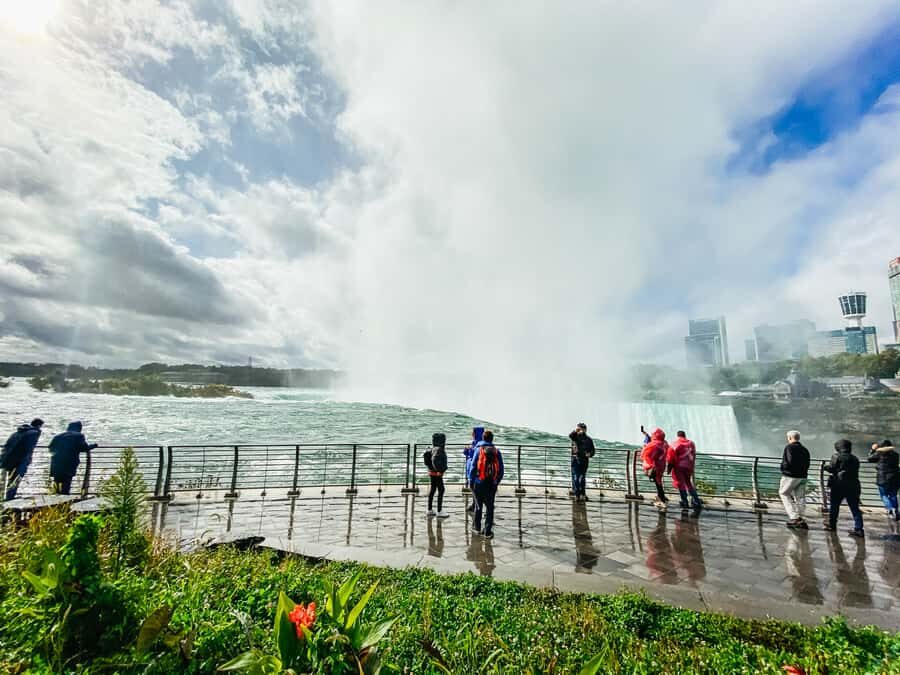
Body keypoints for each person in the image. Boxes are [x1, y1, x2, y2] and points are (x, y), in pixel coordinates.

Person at [823, 439, 864, 537]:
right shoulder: (855, 458)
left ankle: (832, 525)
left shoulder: (836, 456)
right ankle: (859, 528)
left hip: (838, 485)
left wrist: (825, 467)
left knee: (834, 506)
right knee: (855, 508)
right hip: (854, 485)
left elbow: (832, 469)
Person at [469, 429, 504, 539]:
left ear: (483, 438)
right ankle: (487, 531)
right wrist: (495, 482)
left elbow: (473, 467)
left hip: (479, 483)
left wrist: (471, 481)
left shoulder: (478, 450)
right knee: (490, 508)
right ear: (492, 439)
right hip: (491, 484)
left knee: (478, 506)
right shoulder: (496, 451)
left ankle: (477, 528)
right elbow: (501, 471)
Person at [48, 421, 98, 495]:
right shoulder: (79, 436)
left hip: (56, 462)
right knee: (66, 483)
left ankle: (55, 501)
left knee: (57, 482)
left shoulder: (58, 436)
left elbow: (50, 448)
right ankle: (64, 501)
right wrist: (93, 446)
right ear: (79, 428)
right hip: (69, 463)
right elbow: (84, 448)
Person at [1, 418, 44, 500]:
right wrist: (28, 460)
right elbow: (29, 448)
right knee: (17, 478)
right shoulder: (34, 433)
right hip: (21, 460)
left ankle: (7, 496)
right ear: (39, 425)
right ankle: (10, 497)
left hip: (10, 459)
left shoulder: (18, 432)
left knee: (11, 478)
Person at [778, 430, 811, 529]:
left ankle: (794, 517)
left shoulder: (789, 447)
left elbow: (788, 461)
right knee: (800, 497)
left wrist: (783, 469)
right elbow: (807, 463)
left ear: (790, 438)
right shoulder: (805, 449)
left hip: (791, 476)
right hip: (803, 476)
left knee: (783, 493)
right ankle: (802, 517)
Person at [666, 430, 702, 511]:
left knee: (681, 485)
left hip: (679, 467)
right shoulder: (691, 443)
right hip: (689, 467)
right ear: (685, 435)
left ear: (678, 436)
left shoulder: (675, 444)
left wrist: (669, 469)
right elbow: (694, 454)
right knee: (688, 483)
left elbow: (670, 458)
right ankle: (696, 501)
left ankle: (684, 502)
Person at [867, 439, 899, 521]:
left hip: (883, 478)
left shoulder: (879, 453)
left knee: (884, 495)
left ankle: (890, 509)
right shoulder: (896, 454)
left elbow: (869, 459)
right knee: (893, 494)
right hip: (895, 477)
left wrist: (873, 450)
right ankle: (896, 510)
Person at [641, 428, 669, 507]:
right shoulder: (665, 443)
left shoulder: (654, 444)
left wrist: (644, 446)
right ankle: (661, 498)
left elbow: (645, 454)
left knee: (658, 483)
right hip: (662, 465)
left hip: (655, 466)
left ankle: (662, 500)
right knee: (658, 482)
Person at [568, 422, 595, 502]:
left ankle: (582, 494)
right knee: (576, 478)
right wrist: (576, 431)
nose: (581, 430)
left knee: (582, 478)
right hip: (575, 460)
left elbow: (593, 450)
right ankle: (577, 495)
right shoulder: (575, 437)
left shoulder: (589, 439)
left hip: (584, 460)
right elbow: (570, 436)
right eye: (579, 428)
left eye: (582, 428)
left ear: (585, 430)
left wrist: (590, 454)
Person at [424, 432, 449, 518]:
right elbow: (435, 460)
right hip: (437, 474)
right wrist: (439, 470)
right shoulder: (439, 449)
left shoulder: (433, 448)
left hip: (431, 472)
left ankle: (430, 509)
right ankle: (439, 511)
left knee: (433, 490)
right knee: (441, 490)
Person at [464, 426, 484, 512]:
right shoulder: (474, 443)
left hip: (475, 472)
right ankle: (474, 505)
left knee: (476, 490)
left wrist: (469, 450)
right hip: (472, 471)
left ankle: (476, 507)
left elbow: (474, 457)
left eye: (473, 432)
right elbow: (468, 455)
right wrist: (466, 450)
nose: (472, 434)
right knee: (475, 491)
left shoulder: (478, 445)